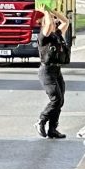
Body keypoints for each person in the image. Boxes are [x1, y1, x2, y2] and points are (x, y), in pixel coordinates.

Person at [37, 9, 72, 138]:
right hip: (46, 71)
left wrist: (52, 11)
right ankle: (41, 120)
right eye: (52, 20)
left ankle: (52, 129)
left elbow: (65, 21)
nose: (55, 22)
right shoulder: (43, 36)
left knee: (60, 100)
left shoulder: (57, 35)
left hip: (56, 71)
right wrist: (46, 12)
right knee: (55, 99)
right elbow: (49, 25)